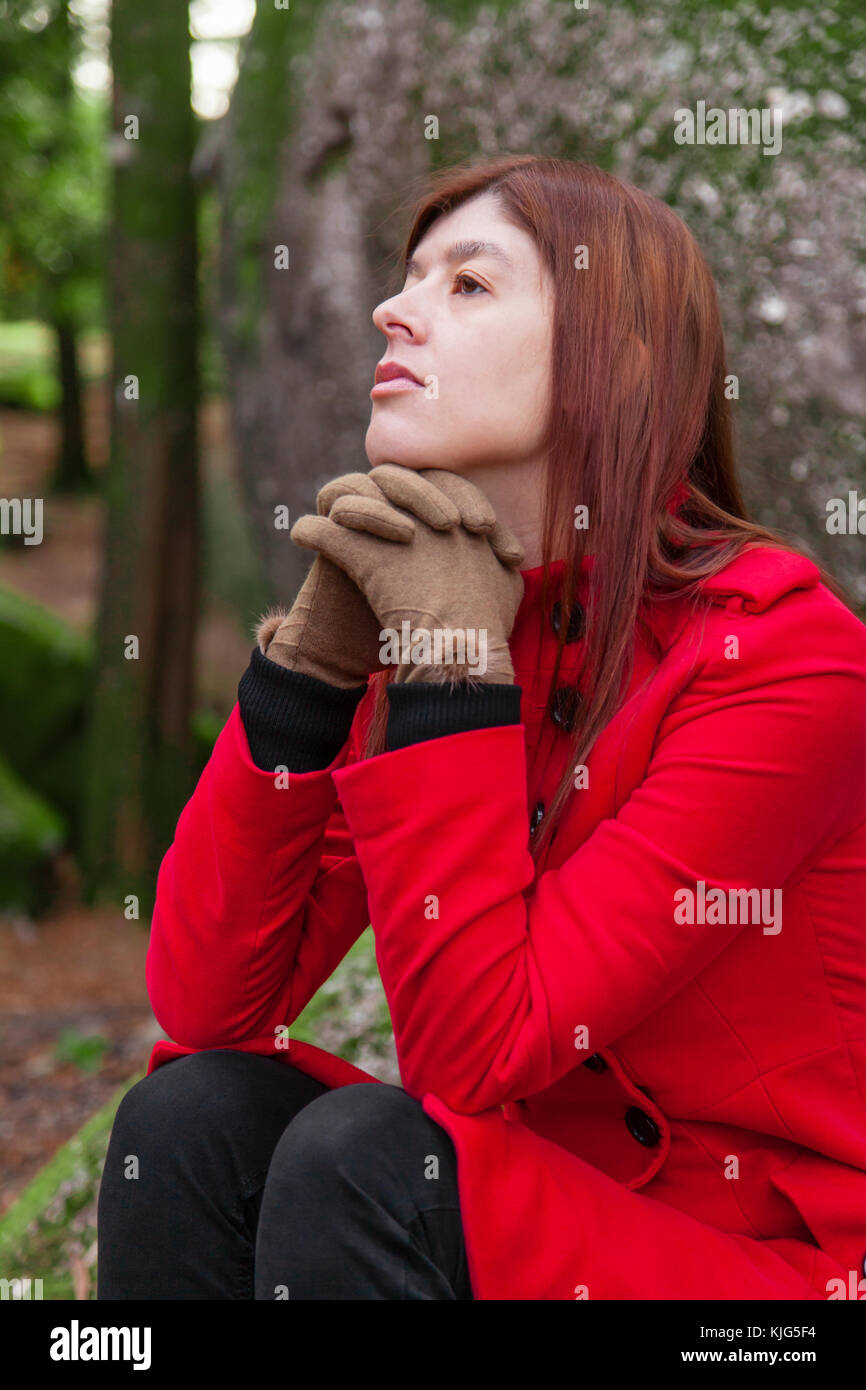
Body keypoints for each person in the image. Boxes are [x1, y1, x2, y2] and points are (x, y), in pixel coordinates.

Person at [97, 154, 866, 1301]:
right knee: (194, 1113)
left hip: (764, 1280)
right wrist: (308, 675)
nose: (391, 310)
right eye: (409, 277)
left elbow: (473, 1056)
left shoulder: (780, 658)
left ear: (620, 359)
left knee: (363, 1160)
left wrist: (452, 671)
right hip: (533, 1215)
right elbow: (208, 999)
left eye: (467, 284)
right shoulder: (453, 607)